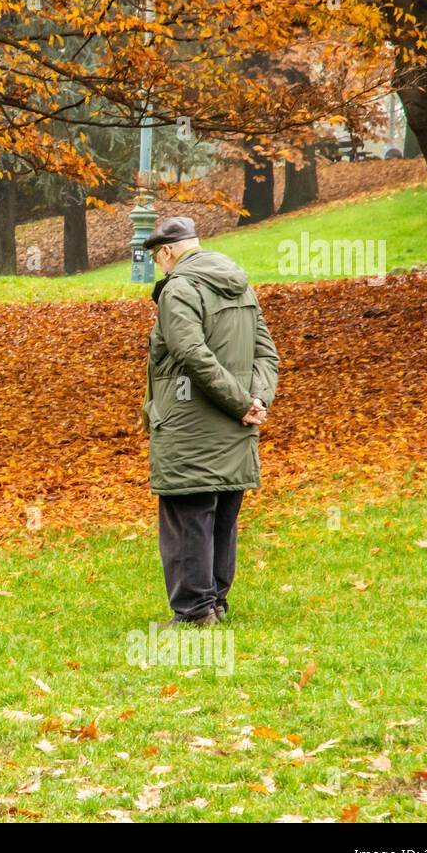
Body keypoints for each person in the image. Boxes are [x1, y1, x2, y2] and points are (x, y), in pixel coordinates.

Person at [140, 217, 279, 627]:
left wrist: (241, 403)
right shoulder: (240, 285)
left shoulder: (179, 289)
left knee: (187, 515)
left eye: (156, 259)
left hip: (191, 426)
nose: (158, 267)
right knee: (220, 513)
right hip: (236, 428)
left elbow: (191, 354)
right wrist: (257, 400)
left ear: (167, 252)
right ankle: (214, 601)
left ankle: (195, 610)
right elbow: (266, 355)